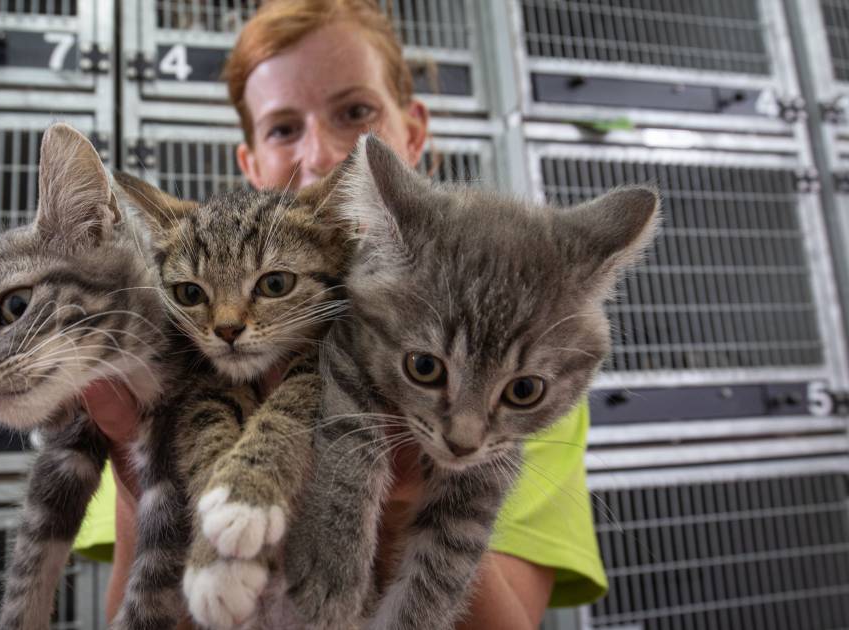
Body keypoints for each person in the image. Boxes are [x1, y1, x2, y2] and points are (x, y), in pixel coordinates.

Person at [73, 1, 608, 627]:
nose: (324, 153)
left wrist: (403, 498)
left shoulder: (520, 363)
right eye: (282, 129)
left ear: (412, 133)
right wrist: (152, 490)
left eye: (356, 113)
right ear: (251, 167)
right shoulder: (190, 339)